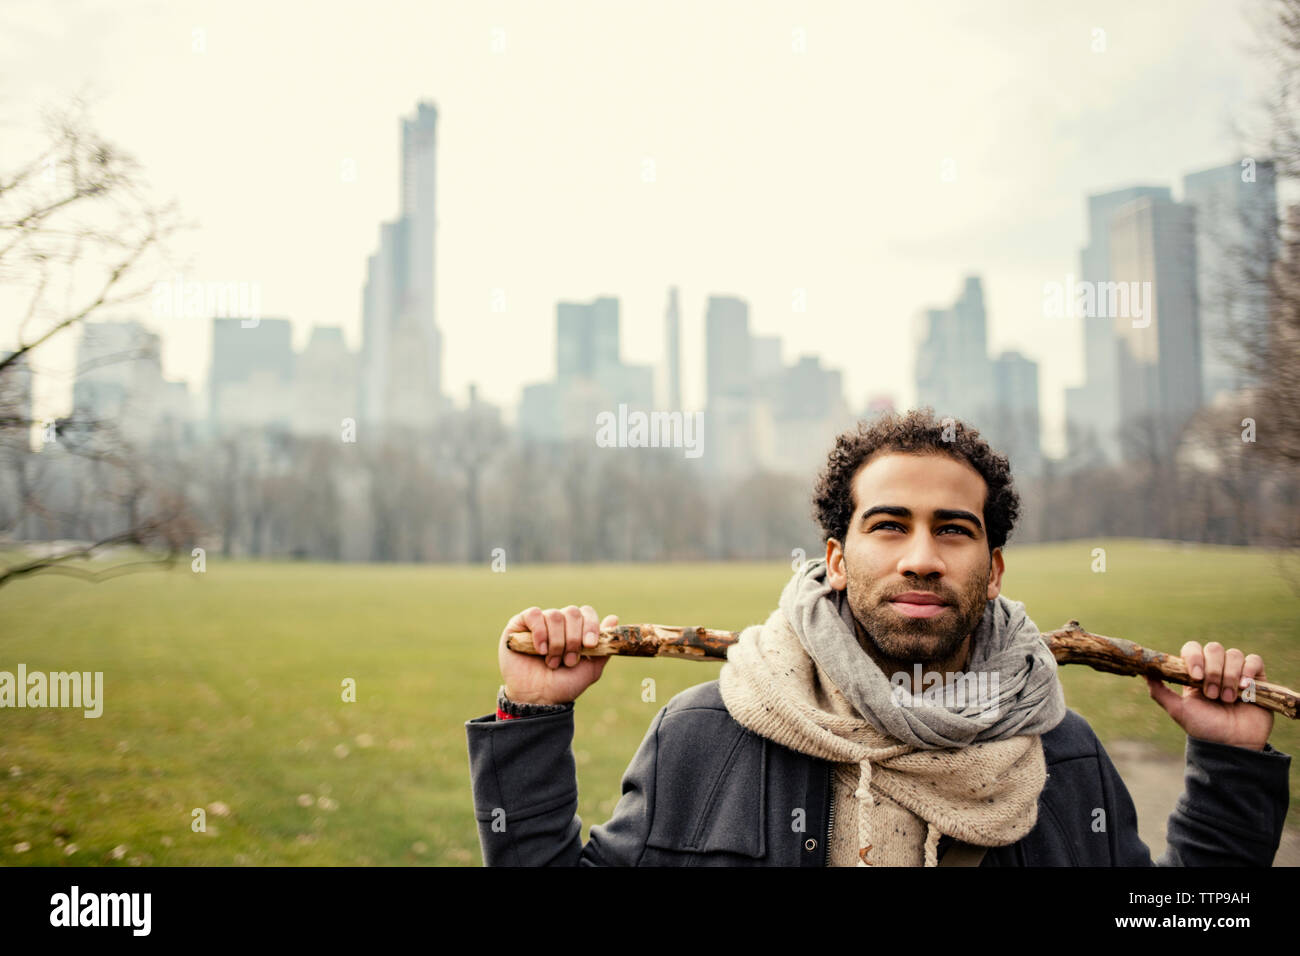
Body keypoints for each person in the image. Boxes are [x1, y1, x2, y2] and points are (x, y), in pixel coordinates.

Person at [465, 408, 1291, 866]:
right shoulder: (708, 734)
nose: (923, 559)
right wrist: (531, 720)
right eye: (890, 526)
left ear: (994, 568)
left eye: (954, 531)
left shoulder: (1064, 757)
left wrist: (1228, 765)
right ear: (835, 558)